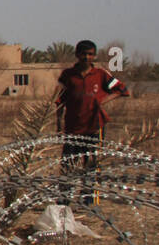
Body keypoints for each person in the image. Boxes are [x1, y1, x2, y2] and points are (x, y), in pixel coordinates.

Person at [54, 40, 129, 203]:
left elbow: (122, 89)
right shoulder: (68, 75)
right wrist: (58, 123)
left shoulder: (101, 75)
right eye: (83, 54)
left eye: (90, 54)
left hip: (94, 126)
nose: (86, 57)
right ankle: (64, 200)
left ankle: (87, 200)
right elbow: (60, 100)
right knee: (68, 164)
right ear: (77, 55)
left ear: (94, 56)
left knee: (91, 164)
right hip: (73, 126)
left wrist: (103, 99)